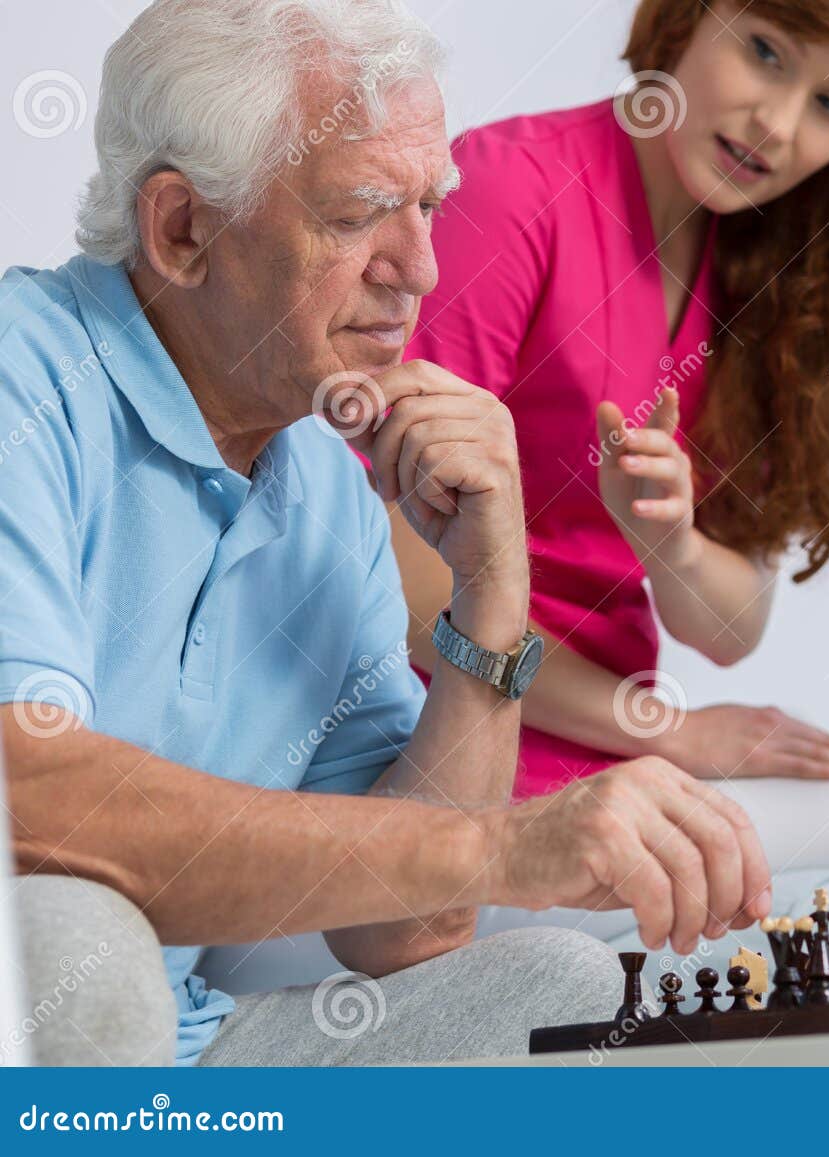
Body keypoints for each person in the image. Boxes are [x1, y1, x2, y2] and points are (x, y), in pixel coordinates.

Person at [2, 0, 769, 1067]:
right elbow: (25, 798)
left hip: (184, 1051)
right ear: (182, 230)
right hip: (56, 1016)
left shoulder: (322, 465)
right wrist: (505, 845)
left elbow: (412, 926)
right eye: (360, 213)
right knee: (75, 938)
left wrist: (490, 590)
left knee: (559, 986)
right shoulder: (22, 379)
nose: (421, 269)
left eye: (429, 208)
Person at [393, 0, 829, 959]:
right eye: (763, 53)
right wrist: (667, 728)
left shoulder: (748, 264)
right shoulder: (513, 190)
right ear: (684, 19)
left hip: (620, 766)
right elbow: (405, 590)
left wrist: (670, 545)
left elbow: (731, 626)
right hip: (460, 776)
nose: (778, 127)